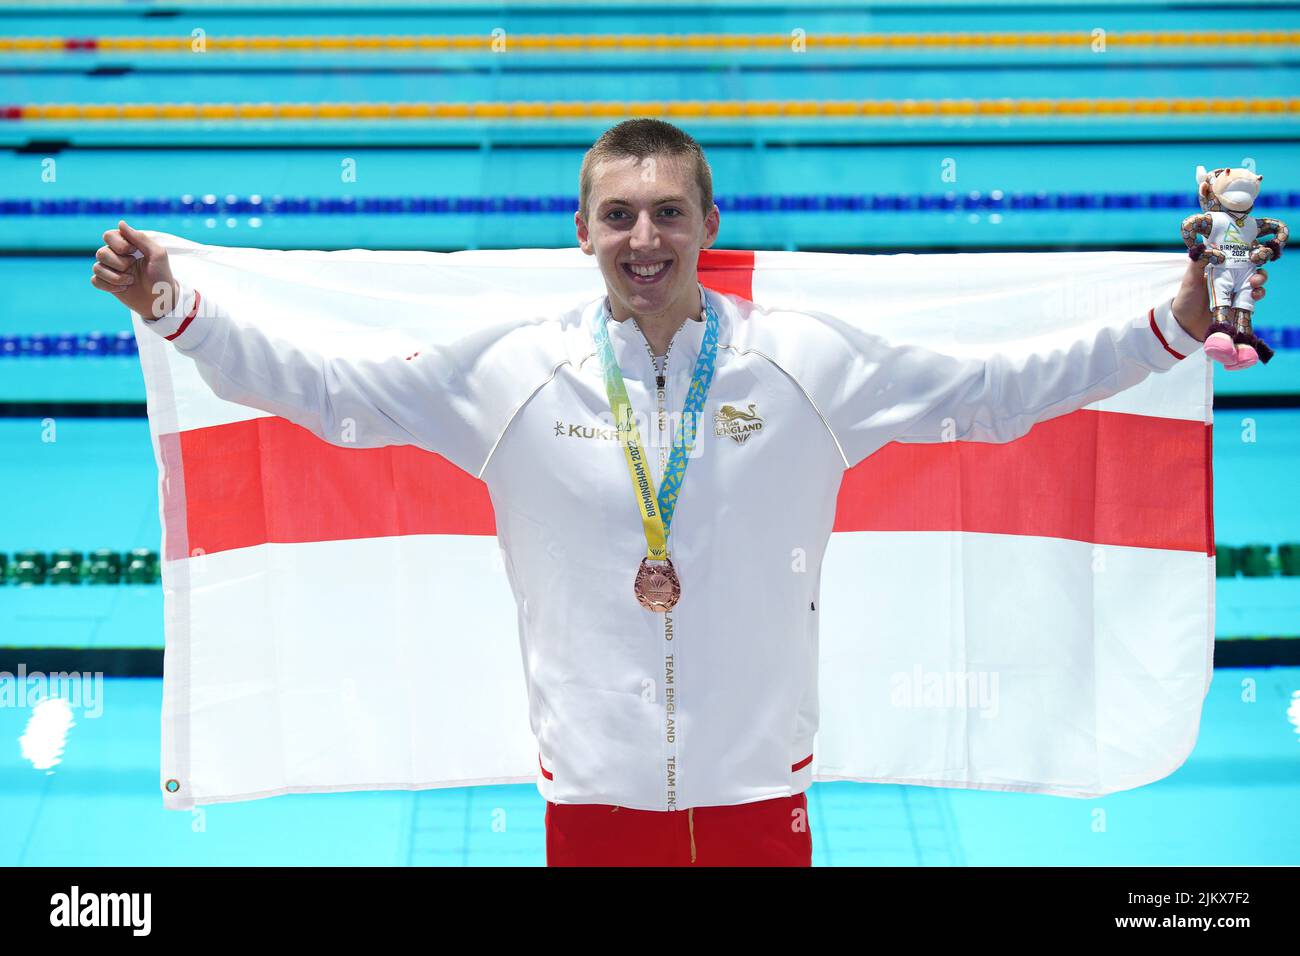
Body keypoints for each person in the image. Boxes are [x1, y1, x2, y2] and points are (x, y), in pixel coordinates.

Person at [91, 118, 1266, 867]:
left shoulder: (812, 362)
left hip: (762, 802)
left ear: (709, 222)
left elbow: (1004, 387)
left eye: (666, 212)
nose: (642, 236)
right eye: (618, 215)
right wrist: (175, 309)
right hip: (589, 806)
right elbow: (325, 390)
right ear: (582, 232)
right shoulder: (509, 373)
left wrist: (1176, 320)